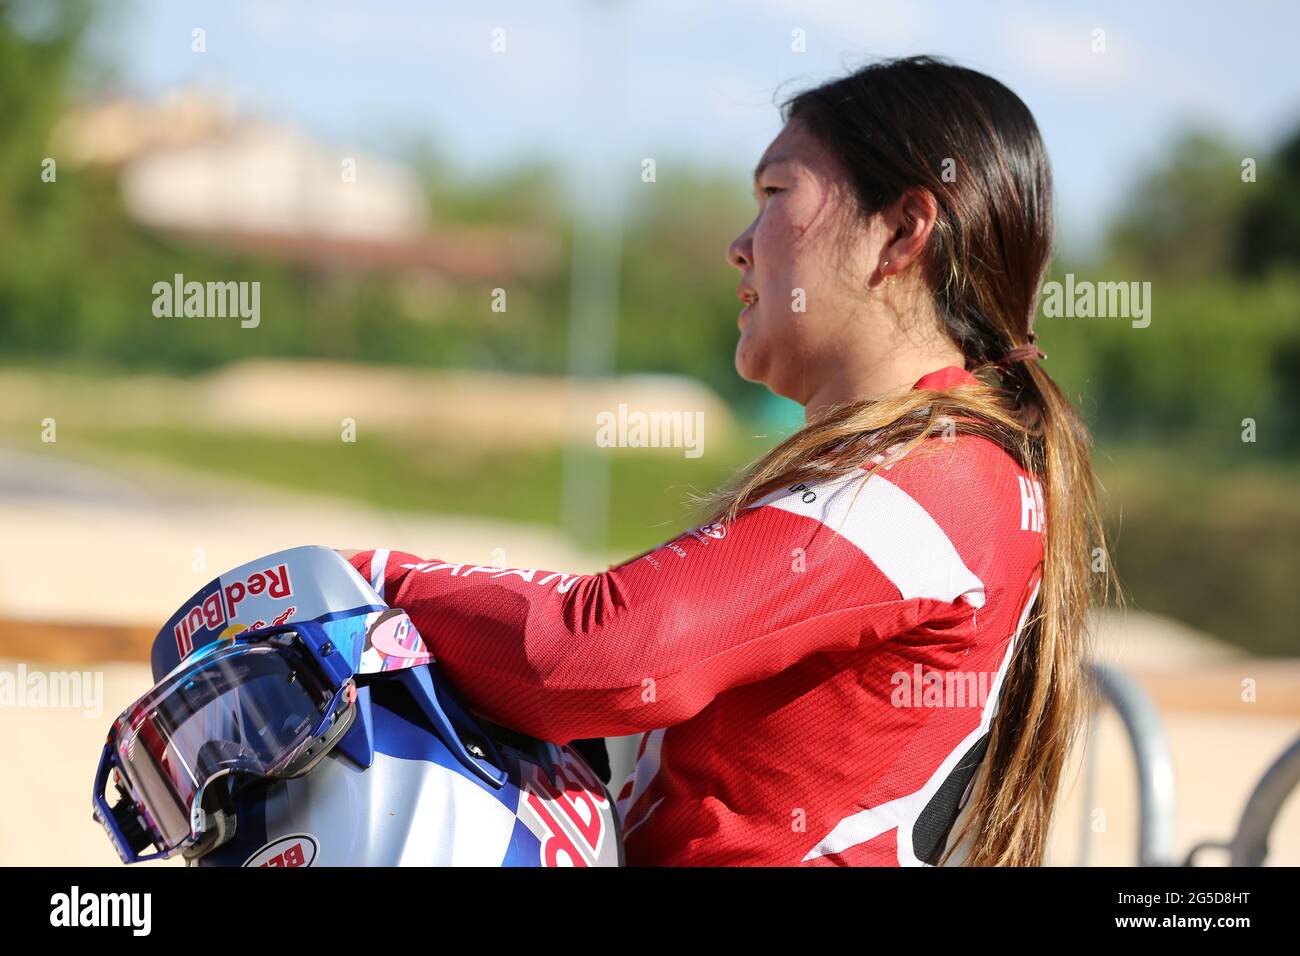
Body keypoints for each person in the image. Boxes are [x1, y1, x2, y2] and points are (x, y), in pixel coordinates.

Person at [339, 55, 1107, 866]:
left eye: (776, 195)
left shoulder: (940, 478)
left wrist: (358, 581)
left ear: (903, 230)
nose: (740, 247)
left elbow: (596, 653)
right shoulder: (954, 465)